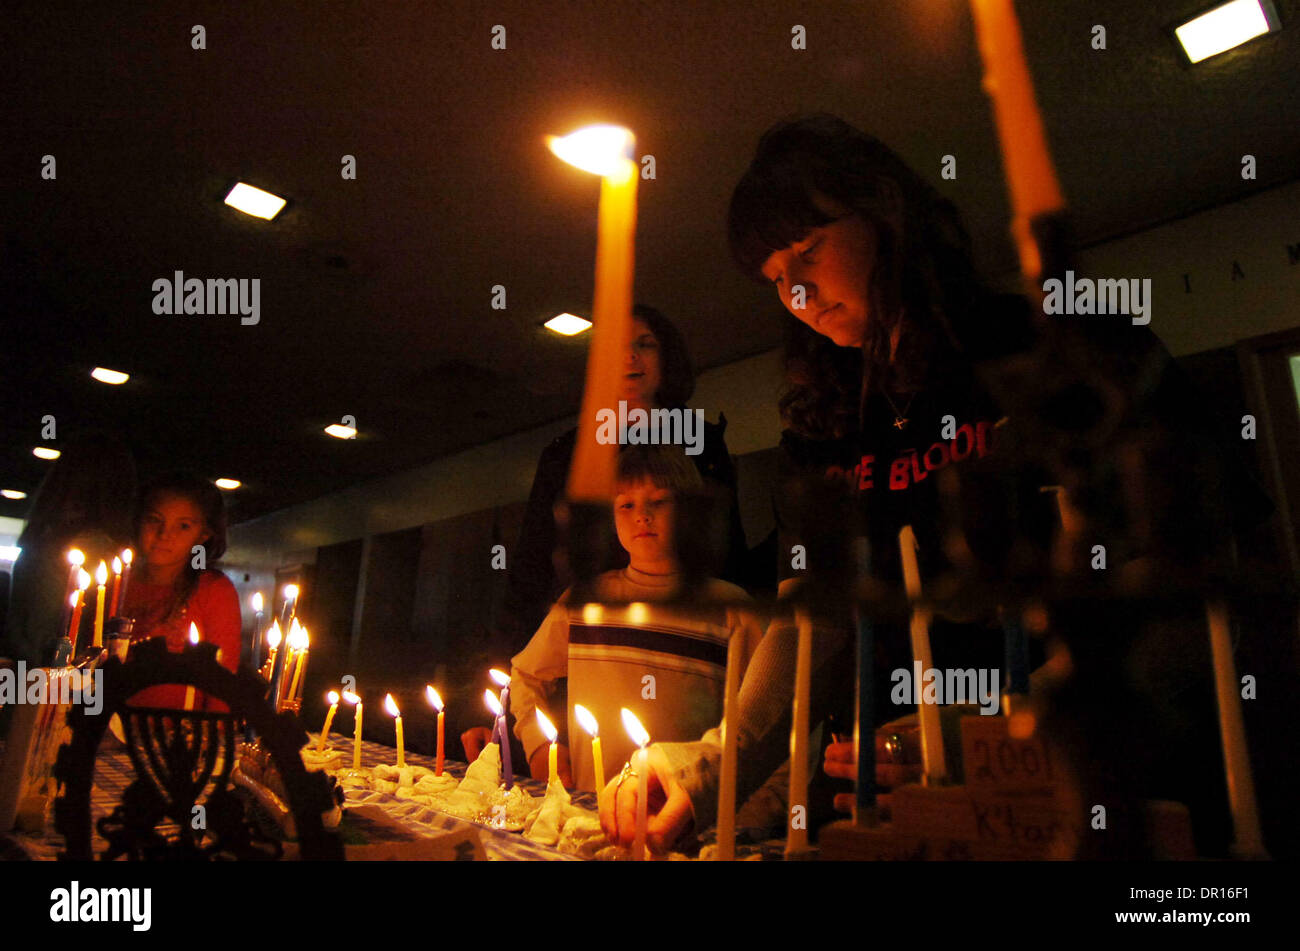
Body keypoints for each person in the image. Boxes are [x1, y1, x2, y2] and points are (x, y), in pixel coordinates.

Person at [600, 115, 1268, 856]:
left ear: (885, 211)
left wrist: (990, 731)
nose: (796, 291)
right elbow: (820, 617)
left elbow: (1183, 591)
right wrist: (708, 767)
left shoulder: (1055, 353)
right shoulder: (827, 423)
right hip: (905, 814)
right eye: (774, 278)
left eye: (807, 250)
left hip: (1096, 806)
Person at [509, 444, 764, 792]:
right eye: (626, 504)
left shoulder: (730, 610)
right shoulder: (585, 603)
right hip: (591, 811)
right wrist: (539, 744)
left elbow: (767, 721)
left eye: (658, 501)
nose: (642, 516)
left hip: (684, 823)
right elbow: (525, 675)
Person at [505, 305, 750, 646]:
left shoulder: (701, 444)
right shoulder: (566, 454)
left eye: (644, 344)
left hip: (686, 633)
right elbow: (533, 559)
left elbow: (729, 549)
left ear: (667, 357)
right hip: (593, 637)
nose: (630, 357)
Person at [2, 432, 135, 668]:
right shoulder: (91, 547)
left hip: (28, 680)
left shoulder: (43, 539)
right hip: (58, 684)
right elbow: (42, 642)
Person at [121, 473, 242, 709]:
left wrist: (210, 734)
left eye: (183, 526)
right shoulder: (116, 584)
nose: (165, 534)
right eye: (155, 520)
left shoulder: (212, 590)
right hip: (106, 731)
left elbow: (222, 679)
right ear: (138, 521)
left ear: (204, 535)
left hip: (178, 736)